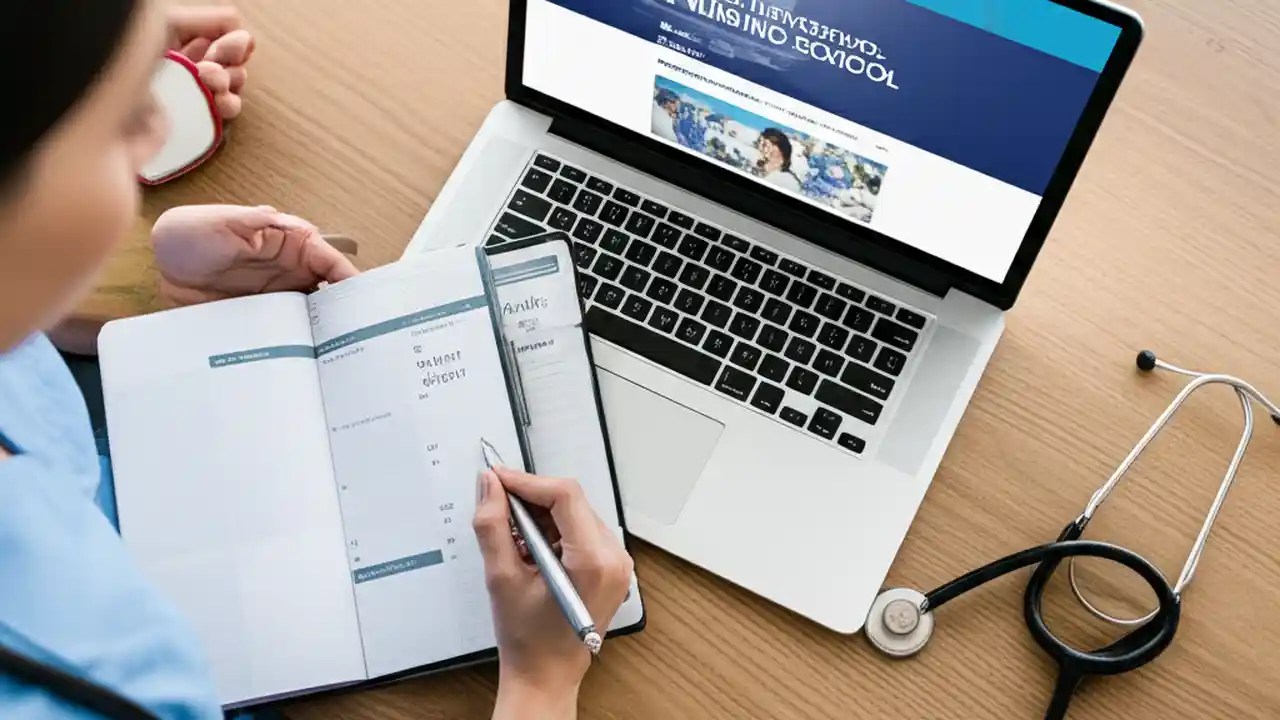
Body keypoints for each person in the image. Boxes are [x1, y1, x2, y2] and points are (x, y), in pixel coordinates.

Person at [0, 2, 635, 719]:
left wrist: (144, 286)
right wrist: (541, 685)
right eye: (120, 122)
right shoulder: (96, 686)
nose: (155, 132)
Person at [755, 128, 802, 193]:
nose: (761, 149)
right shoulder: (762, 173)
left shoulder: (787, 182)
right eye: (760, 144)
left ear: (782, 153)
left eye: (765, 145)